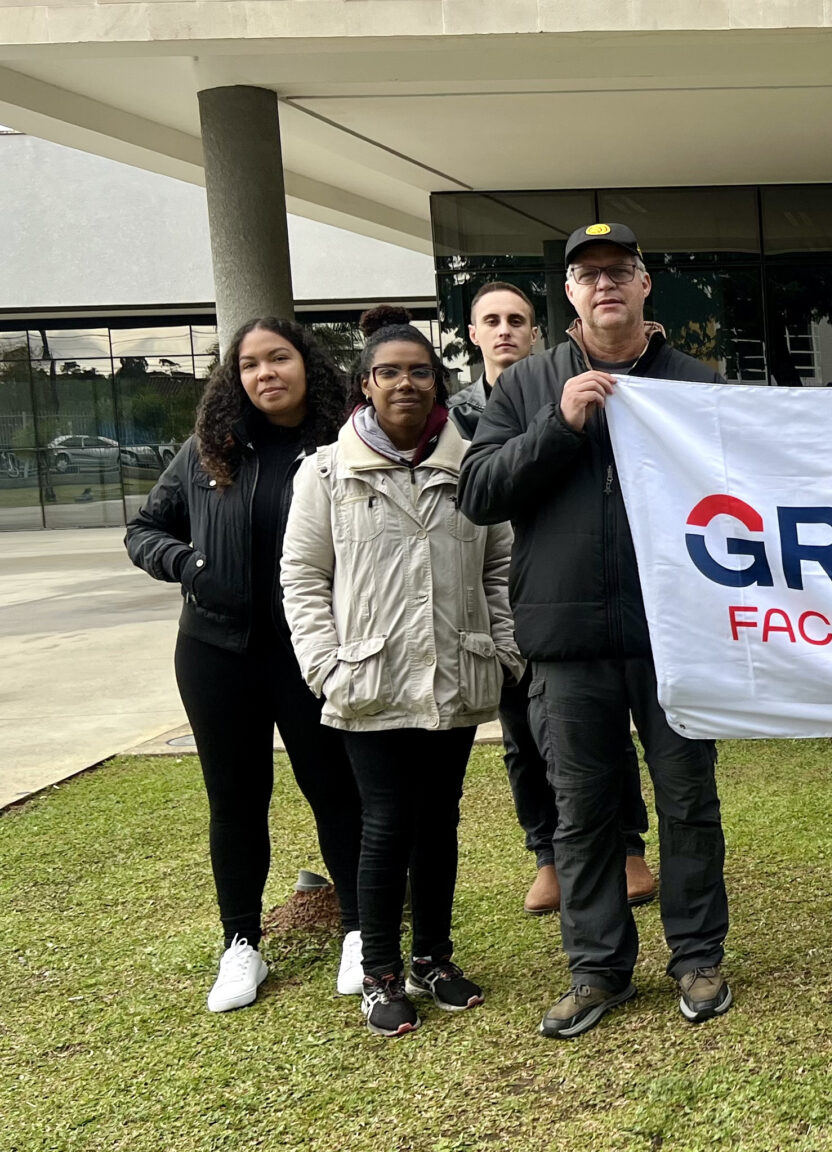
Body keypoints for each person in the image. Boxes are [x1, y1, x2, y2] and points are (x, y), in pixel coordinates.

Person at [459, 223, 733, 1040]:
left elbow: (752, 485)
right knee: (581, 813)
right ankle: (597, 970)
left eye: (620, 270)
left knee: (688, 800)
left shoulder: (695, 382)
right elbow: (479, 492)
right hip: (566, 634)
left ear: (645, 285)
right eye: (589, 274)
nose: (605, 283)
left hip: (676, 633)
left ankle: (697, 958)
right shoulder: (529, 384)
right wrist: (559, 423)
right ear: (570, 293)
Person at [278, 307, 516, 1037]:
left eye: (419, 371)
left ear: (437, 381)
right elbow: (303, 578)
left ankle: (433, 959)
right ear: (365, 383)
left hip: (454, 672)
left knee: (439, 821)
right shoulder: (326, 472)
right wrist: (324, 667)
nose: (405, 383)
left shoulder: (472, 468)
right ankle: (379, 971)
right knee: (384, 824)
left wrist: (504, 649)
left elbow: (501, 568)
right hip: (369, 679)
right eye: (389, 372)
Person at [124, 318, 365, 1013]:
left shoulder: (343, 445)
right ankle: (241, 944)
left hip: (311, 651)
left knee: (334, 789)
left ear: (306, 365)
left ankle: (359, 930)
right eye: (250, 364)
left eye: (278, 358)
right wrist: (190, 565)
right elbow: (144, 530)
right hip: (215, 652)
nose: (265, 373)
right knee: (235, 798)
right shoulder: (209, 449)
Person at [449, 280, 654, 916]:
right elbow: (476, 492)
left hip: (575, 586)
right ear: (473, 334)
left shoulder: (577, 384)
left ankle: (626, 844)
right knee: (524, 733)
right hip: (502, 588)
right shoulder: (455, 414)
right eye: (491, 321)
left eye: (517, 320)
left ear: (536, 331)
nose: (504, 330)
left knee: (600, 726)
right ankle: (546, 853)